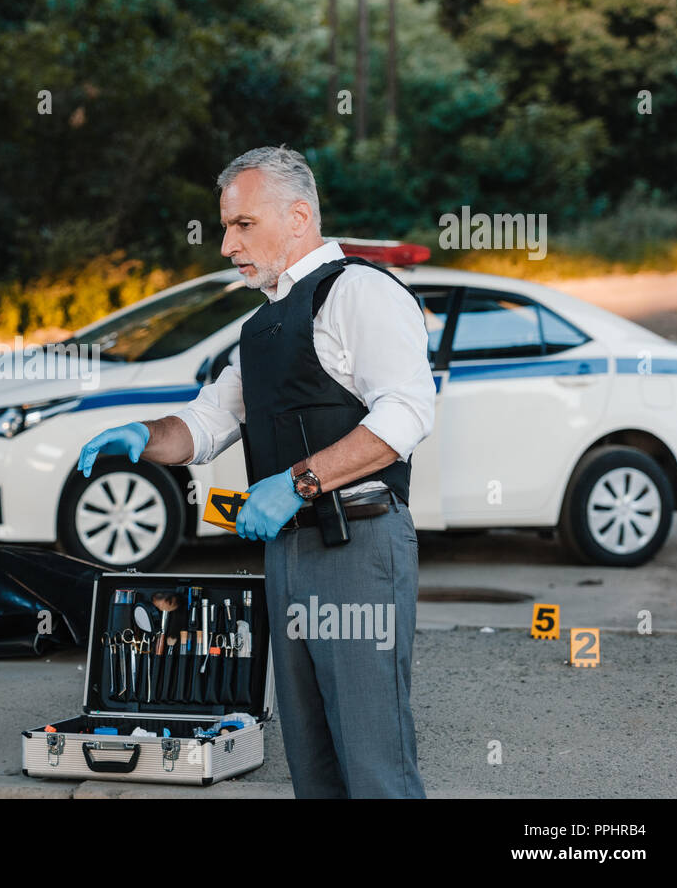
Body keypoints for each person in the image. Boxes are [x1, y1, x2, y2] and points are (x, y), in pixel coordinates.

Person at [77, 145, 433, 797]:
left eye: (242, 224)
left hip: (357, 545)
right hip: (287, 553)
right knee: (311, 759)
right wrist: (141, 436)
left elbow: (406, 416)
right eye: (224, 226)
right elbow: (206, 425)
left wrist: (299, 481)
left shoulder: (359, 292)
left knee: (373, 757)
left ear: (299, 216)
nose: (225, 243)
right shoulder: (263, 324)